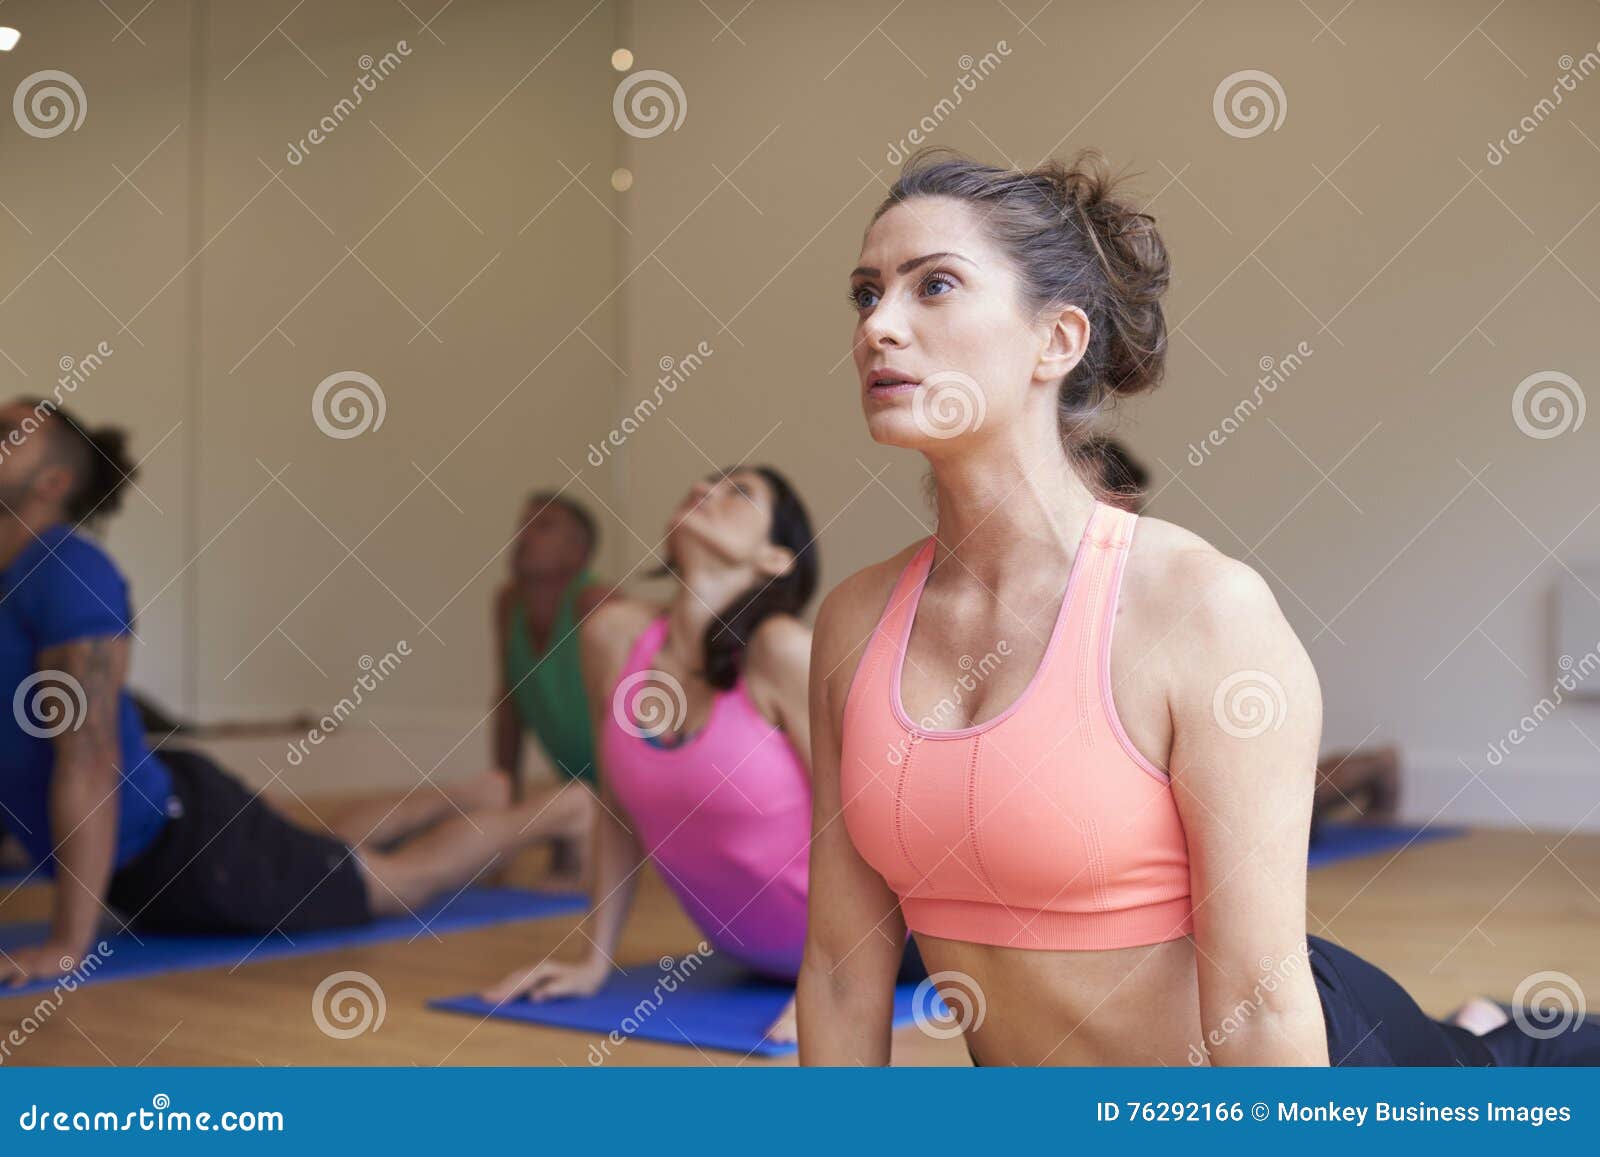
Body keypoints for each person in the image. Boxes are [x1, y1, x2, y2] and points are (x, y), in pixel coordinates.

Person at [797, 149, 1600, 1066]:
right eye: (865, 294)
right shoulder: (855, 624)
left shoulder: (1200, 609)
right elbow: (839, 968)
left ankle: (1494, 1037)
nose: (879, 329)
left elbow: (1260, 1012)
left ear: (1056, 341)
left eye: (933, 286)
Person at [0, 398, 590, 987]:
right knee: (324, 851)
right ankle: (471, 792)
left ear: (51, 483)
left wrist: (67, 945)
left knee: (392, 882)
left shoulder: (64, 572)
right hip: (168, 822)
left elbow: (89, 759)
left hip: (191, 856)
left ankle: (562, 810)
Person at [481, 466, 925, 1045]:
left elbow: (865, 825)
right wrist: (592, 961)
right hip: (748, 959)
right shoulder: (612, 639)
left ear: (775, 559)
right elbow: (614, 808)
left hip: (893, 954)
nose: (702, 491)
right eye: (703, 484)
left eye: (737, 493)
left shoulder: (781, 652)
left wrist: (843, 987)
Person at [1073, 437, 1403, 839]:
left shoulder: (1170, 581)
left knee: (1288, 811)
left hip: (1205, 768)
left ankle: (1377, 766)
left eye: (1084, 491)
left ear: (1121, 503)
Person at [491, 492, 616, 884]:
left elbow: (631, 716)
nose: (523, 535)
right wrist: (504, 798)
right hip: (575, 785)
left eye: (542, 527)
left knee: (574, 863)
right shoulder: (509, 603)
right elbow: (510, 704)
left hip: (623, 786)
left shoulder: (595, 602)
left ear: (577, 553)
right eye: (523, 524)